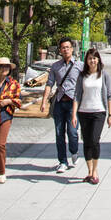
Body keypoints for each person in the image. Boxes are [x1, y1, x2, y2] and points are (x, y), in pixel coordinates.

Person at [40, 37, 83, 171]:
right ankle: (62, 161)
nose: (65, 50)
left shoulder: (79, 65)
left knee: (72, 132)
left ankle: (74, 150)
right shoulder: (55, 66)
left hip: (73, 103)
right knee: (59, 133)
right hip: (59, 101)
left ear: (72, 49)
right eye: (63, 47)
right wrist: (43, 101)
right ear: (60, 50)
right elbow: (49, 84)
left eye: (68, 47)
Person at [71, 46, 111, 184]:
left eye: (94, 58)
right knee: (87, 141)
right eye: (90, 58)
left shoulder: (104, 75)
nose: (92, 61)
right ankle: (89, 171)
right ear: (86, 61)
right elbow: (77, 95)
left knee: (95, 140)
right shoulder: (82, 76)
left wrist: (110, 114)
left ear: (98, 60)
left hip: (99, 111)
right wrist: (74, 114)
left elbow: (109, 95)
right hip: (83, 112)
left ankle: (95, 170)